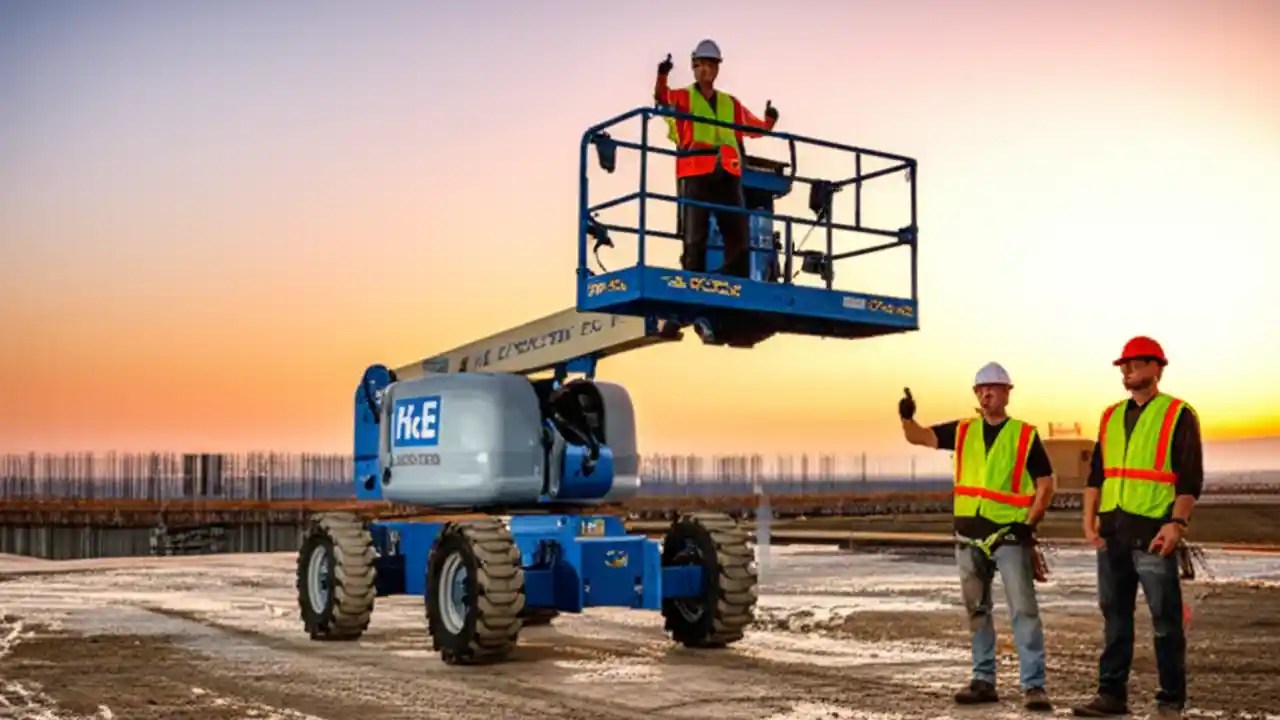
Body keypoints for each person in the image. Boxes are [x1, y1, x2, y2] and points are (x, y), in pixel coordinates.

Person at [899, 362, 1056, 712]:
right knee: (977, 611)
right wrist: (907, 418)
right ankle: (983, 680)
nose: (986, 393)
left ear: (1006, 392)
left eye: (994, 388)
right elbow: (919, 436)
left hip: (1009, 536)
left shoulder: (1024, 435)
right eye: (981, 389)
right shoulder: (963, 430)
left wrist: (1029, 524)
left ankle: (1034, 686)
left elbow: (1046, 484)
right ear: (976, 395)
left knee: (1024, 610)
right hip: (969, 536)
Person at [1072, 336, 1203, 719]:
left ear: (1157, 368)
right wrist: (1088, 520)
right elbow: (1097, 474)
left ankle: (1169, 701)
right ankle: (1111, 696)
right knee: (1114, 619)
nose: (1127, 370)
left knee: (1165, 623)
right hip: (1112, 532)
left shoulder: (1177, 413)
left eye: (1135, 363)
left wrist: (1176, 524)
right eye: (1123, 365)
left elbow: (1190, 479)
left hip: (1153, 535)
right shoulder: (1110, 416)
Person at [652, 39, 778, 278]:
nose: (705, 70)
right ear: (693, 67)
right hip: (695, 170)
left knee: (737, 233)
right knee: (695, 235)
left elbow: (755, 128)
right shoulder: (684, 97)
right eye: (700, 65)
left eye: (710, 65)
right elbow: (662, 98)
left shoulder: (730, 103)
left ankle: (736, 281)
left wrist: (769, 121)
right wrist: (662, 75)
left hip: (727, 172)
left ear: (717, 68)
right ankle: (693, 280)